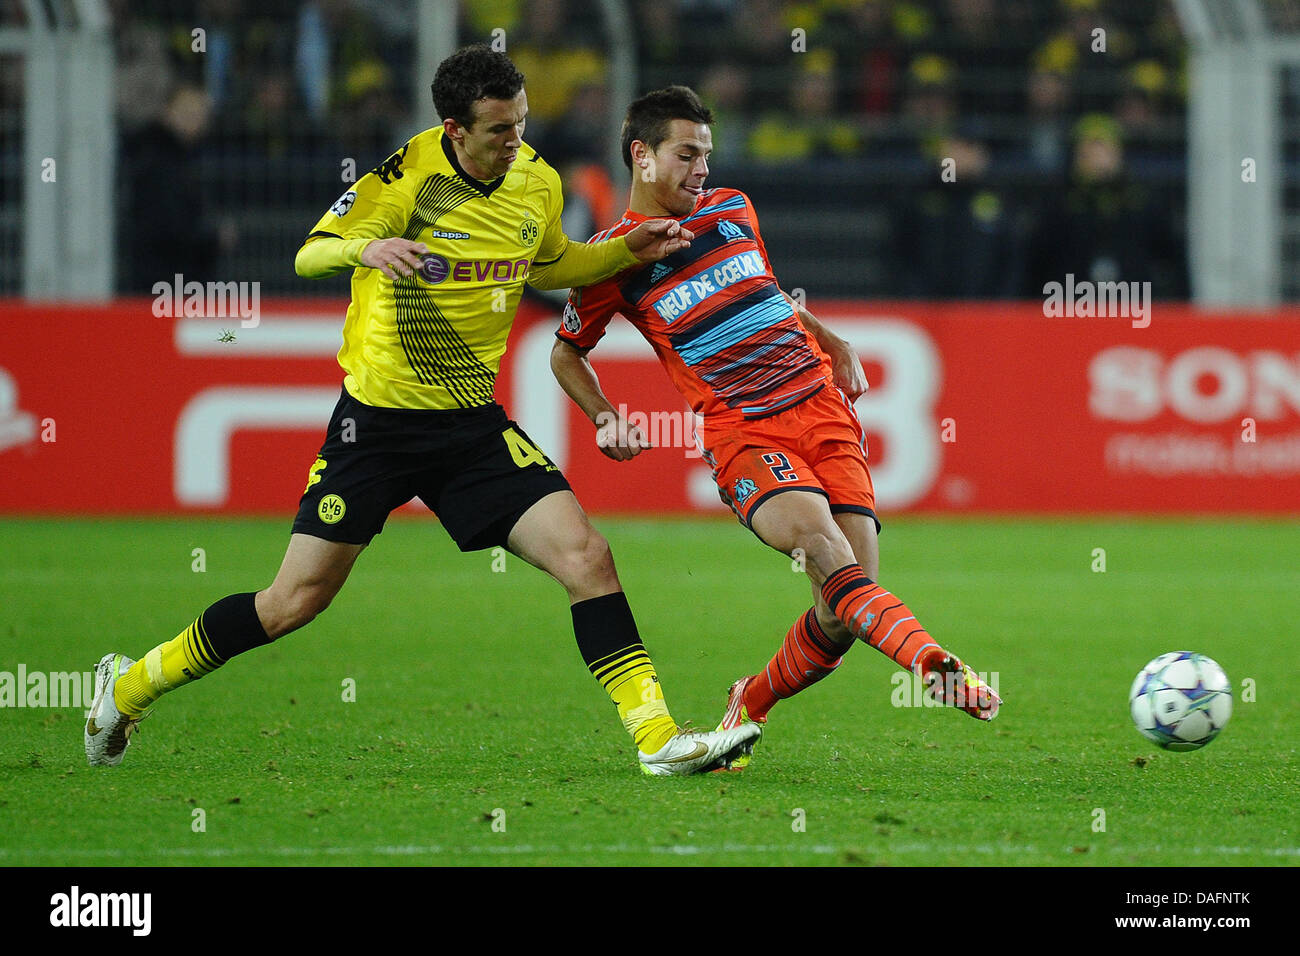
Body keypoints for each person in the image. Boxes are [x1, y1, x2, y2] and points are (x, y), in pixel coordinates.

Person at [86, 48, 758, 777]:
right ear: (454, 128)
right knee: (293, 602)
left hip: (470, 425)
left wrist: (626, 249)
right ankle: (129, 686)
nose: (516, 142)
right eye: (500, 130)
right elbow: (311, 255)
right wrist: (367, 247)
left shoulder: (534, 180)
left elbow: (554, 264)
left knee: (587, 556)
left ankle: (657, 739)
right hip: (375, 427)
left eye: (522, 123)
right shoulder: (407, 177)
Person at [550, 86, 1001, 769]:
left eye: (706, 153)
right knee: (827, 553)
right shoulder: (615, 258)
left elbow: (765, 291)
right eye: (686, 154)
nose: (702, 168)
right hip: (745, 434)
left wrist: (831, 338)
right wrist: (605, 414)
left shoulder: (733, 209)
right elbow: (565, 351)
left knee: (842, 614)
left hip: (823, 411)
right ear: (641, 157)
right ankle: (929, 659)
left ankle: (750, 699)